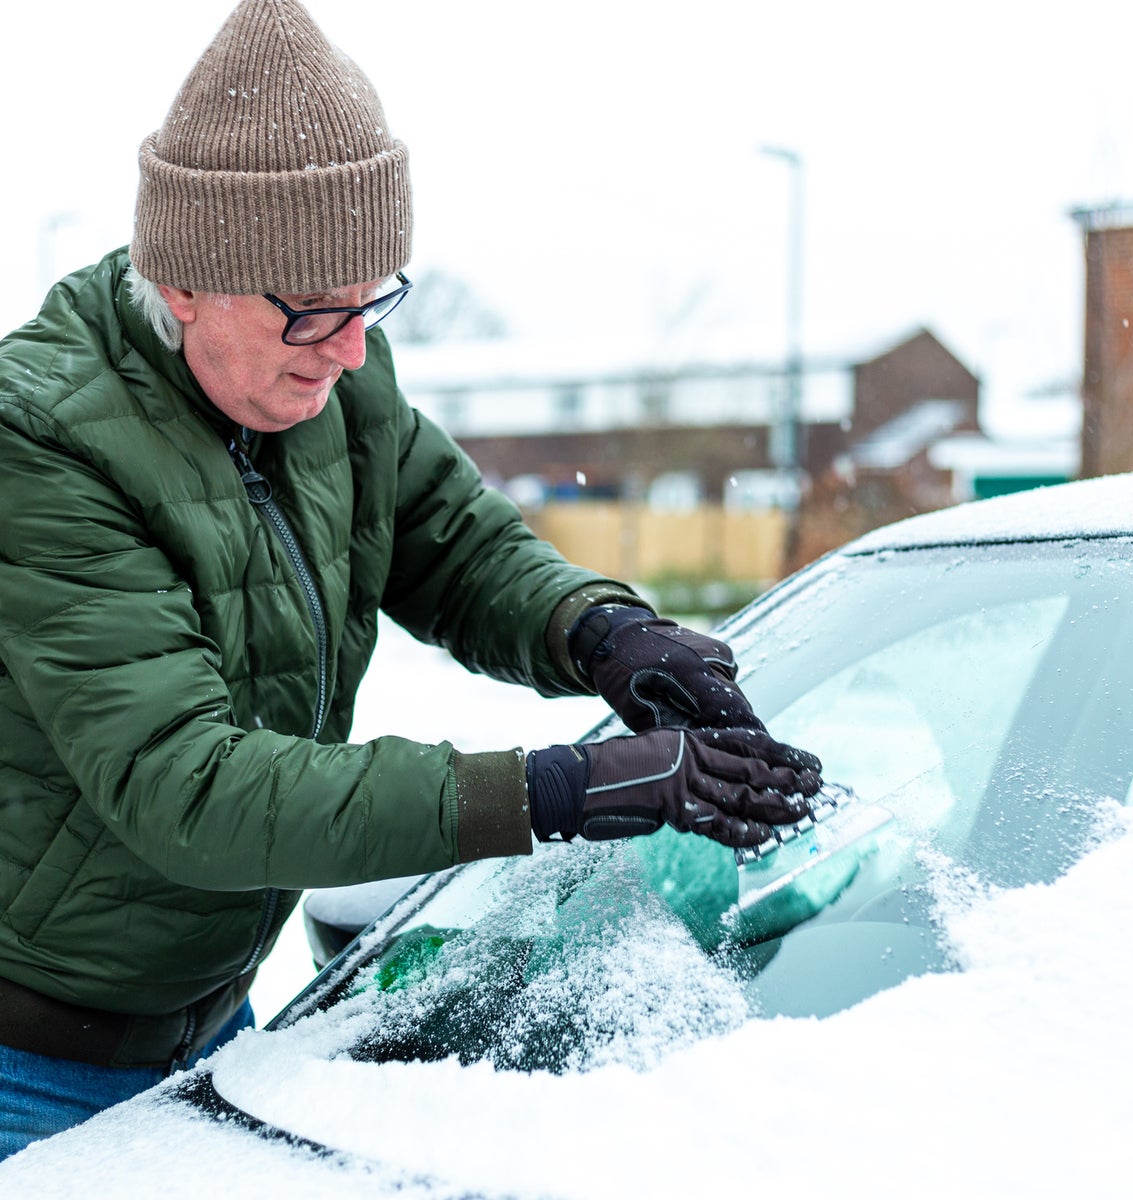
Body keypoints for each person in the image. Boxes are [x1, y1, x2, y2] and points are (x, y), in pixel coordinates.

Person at [0, 0, 822, 1159]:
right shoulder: (42, 441)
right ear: (184, 283)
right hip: (29, 1062)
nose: (349, 347)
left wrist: (606, 635)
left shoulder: (328, 374)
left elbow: (452, 540)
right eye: (313, 313)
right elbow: (187, 789)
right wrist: (557, 791)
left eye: (373, 298)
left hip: (218, 1023)